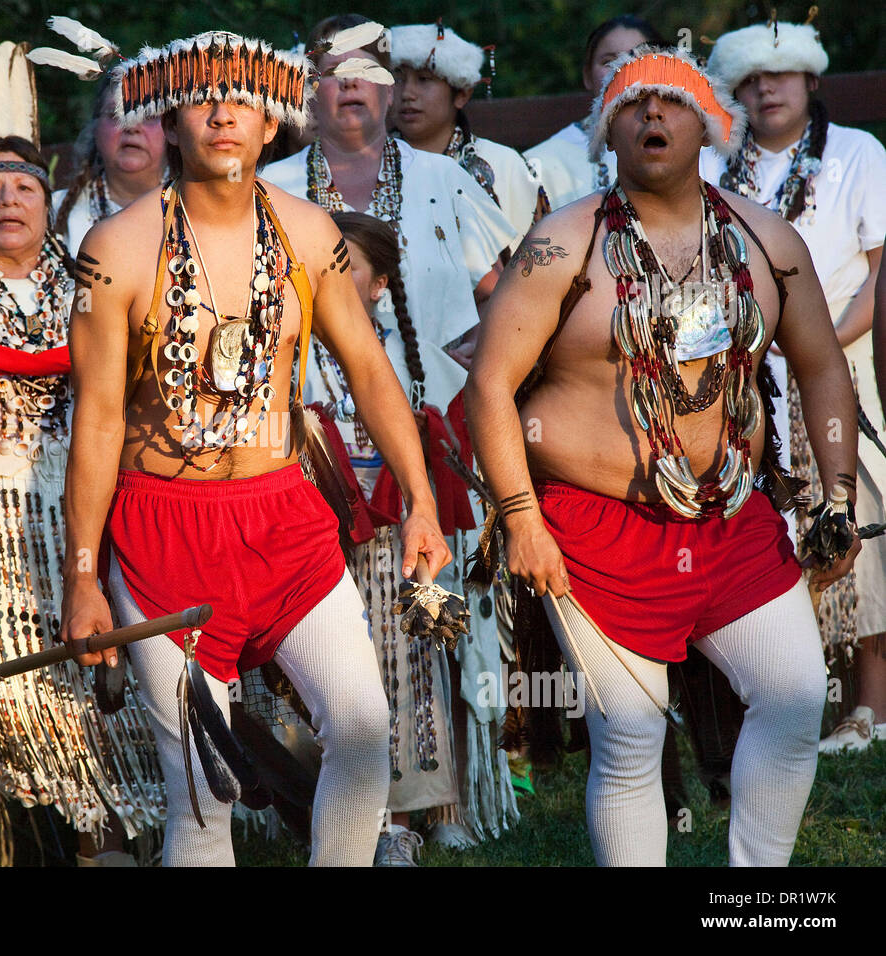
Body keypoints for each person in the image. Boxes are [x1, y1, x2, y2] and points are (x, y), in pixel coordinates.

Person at [60, 29, 451, 867]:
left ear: (271, 124)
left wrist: (421, 500)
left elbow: (375, 375)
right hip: (164, 529)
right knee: (204, 791)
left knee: (361, 728)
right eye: (202, 100)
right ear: (169, 122)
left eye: (240, 99)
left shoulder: (311, 233)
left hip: (283, 520)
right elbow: (94, 422)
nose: (222, 116)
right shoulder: (115, 249)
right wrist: (83, 576)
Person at [465, 45, 859, 866]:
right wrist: (520, 518)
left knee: (791, 701)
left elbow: (821, 367)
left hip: (730, 515)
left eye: (674, 103)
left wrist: (838, 495)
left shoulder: (766, 239)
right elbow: (491, 384)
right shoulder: (560, 245)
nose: (653, 115)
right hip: (592, 524)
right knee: (632, 733)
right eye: (633, 104)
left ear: (712, 124)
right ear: (605, 128)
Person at [0, 135, 166, 865]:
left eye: (24, 189)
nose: (8, 203)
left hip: (86, 510)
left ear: (49, 205)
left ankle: (103, 845)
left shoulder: (91, 281)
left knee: (94, 684)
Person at [306, 212, 516, 864]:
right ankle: (381, 819)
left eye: (348, 263)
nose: (332, 273)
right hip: (331, 544)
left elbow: (450, 424)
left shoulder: (407, 352)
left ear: (378, 284)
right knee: (354, 681)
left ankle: (441, 805)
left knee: (424, 665)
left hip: (406, 537)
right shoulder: (297, 348)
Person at [701, 19, 886, 753]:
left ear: (812, 81)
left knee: (863, 522)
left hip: (840, 363)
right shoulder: (715, 167)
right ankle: (785, 699)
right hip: (745, 377)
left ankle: (871, 706)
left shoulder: (857, 154)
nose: (766, 88)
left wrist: (815, 346)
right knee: (766, 530)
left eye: (781, 75)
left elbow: (880, 273)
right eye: (750, 80)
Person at [261, 15, 519, 360]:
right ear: (311, 94)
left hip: (432, 398)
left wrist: (479, 349)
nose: (350, 81)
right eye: (335, 72)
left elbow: (497, 296)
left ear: (389, 91)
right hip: (310, 401)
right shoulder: (272, 189)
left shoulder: (443, 178)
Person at [389, 20, 545, 235]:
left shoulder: (505, 165)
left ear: (462, 94)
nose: (407, 93)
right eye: (397, 79)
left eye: (424, 79)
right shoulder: (370, 165)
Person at [524, 14, 664, 211]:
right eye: (609, 62)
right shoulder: (544, 162)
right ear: (587, 76)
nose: (622, 70)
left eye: (637, 59)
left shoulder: (692, 151)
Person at [52, 76, 166, 254]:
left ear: (174, 129)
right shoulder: (53, 211)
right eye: (117, 114)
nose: (132, 126)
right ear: (94, 128)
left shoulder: (198, 210)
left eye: (149, 115)